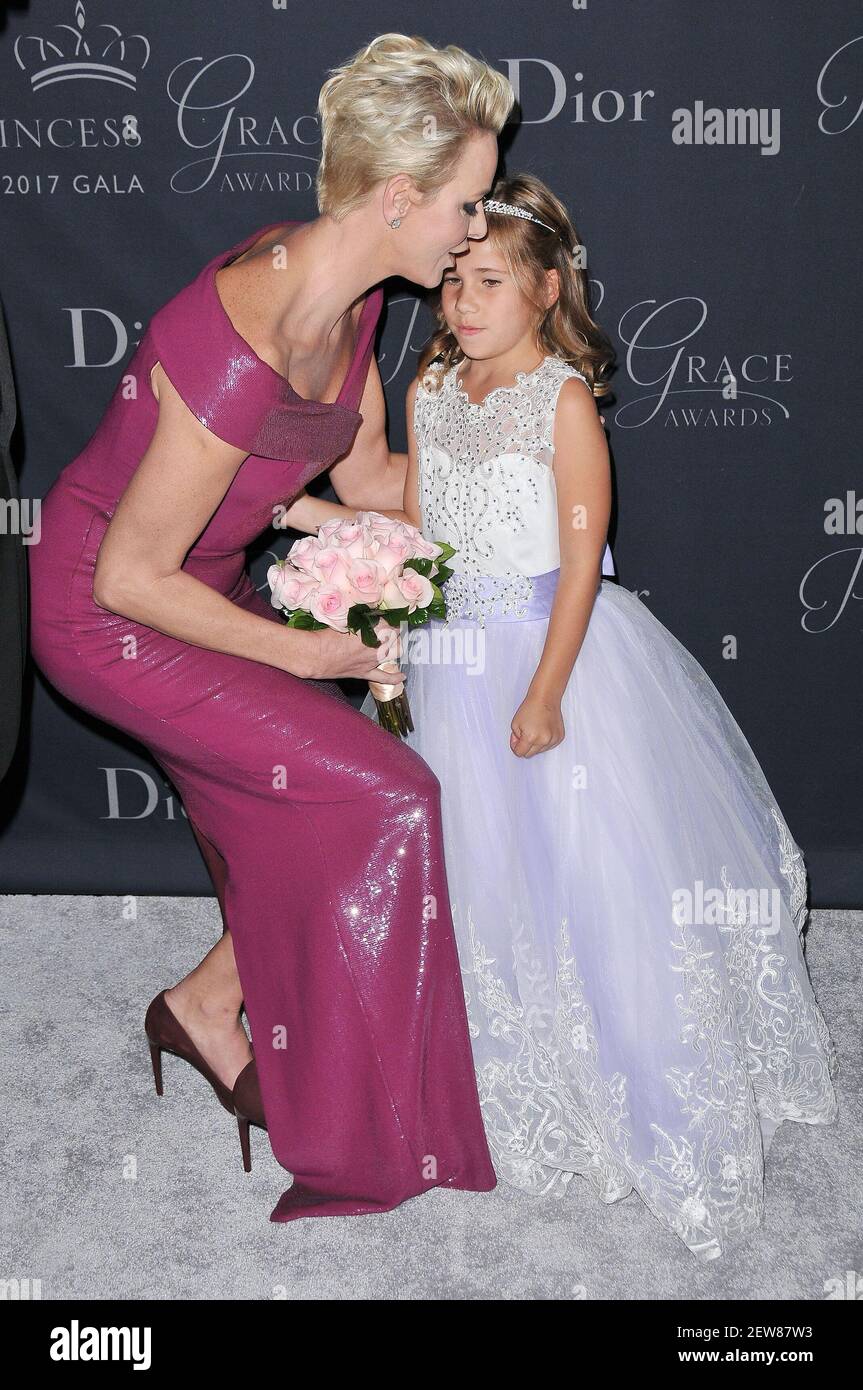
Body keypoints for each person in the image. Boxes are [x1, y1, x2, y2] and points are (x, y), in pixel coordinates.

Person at [27, 33, 513, 1223]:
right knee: (385, 795)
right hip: (110, 612)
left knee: (309, 793)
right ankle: (355, 1119)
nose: (473, 227)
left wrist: (522, 442)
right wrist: (307, 652)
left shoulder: (345, 303)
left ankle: (201, 1002)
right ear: (398, 200)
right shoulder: (236, 348)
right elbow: (130, 578)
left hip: (198, 591)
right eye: (463, 202)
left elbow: (368, 485)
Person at [354, 172, 839, 1260]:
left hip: (554, 659)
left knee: (593, 875)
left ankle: (653, 1092)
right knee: (482, 879)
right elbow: (426, 531)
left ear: (544, 289)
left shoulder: (562, 398)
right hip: (451, 656)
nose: (461, 305)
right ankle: (510, 1086)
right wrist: (392, 642)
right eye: (450, 284)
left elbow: (579, 566)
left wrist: (542, 691)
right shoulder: (430, 388)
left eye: (487, 283)